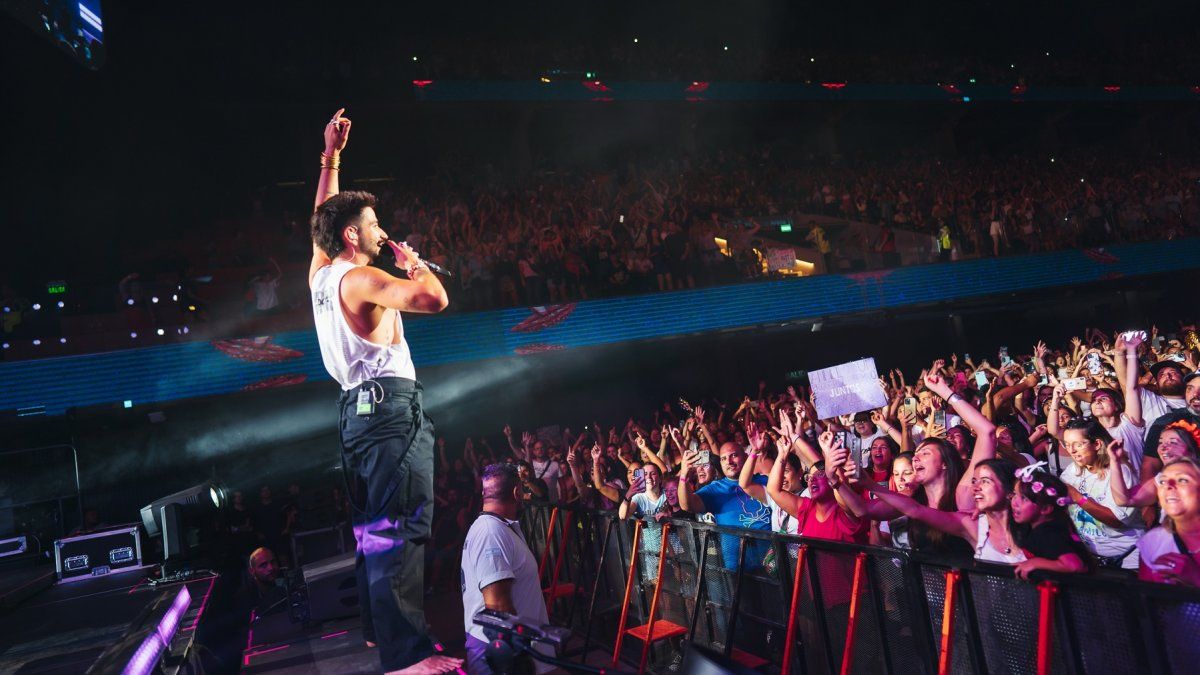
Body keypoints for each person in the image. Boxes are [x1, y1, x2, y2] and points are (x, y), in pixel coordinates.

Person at [308, 109, 458, 675]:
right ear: (353, 237)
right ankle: (409, 658)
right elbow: (435, 300)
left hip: (357, 415)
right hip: (390, 413)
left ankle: (383, 635)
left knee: (376, 533)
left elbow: (320, 219)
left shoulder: (322, 273)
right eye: (373, 225)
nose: (381, 231)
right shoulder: (362, 278)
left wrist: (331, 159)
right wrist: (416, 266)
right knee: (402, 529)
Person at [461, 464, 551, 674]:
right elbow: (497, 606)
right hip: (500, 655)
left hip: (507, 651)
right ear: (516, 492)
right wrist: (520, 660)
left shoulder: (498, 527)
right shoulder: (490, 532)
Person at [1137, 458, 1200, 586]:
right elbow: (1144, 603)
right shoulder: (1153, 541)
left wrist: (1196, 579)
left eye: (1182, 480)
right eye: (1163, 481)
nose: (1169, 485)